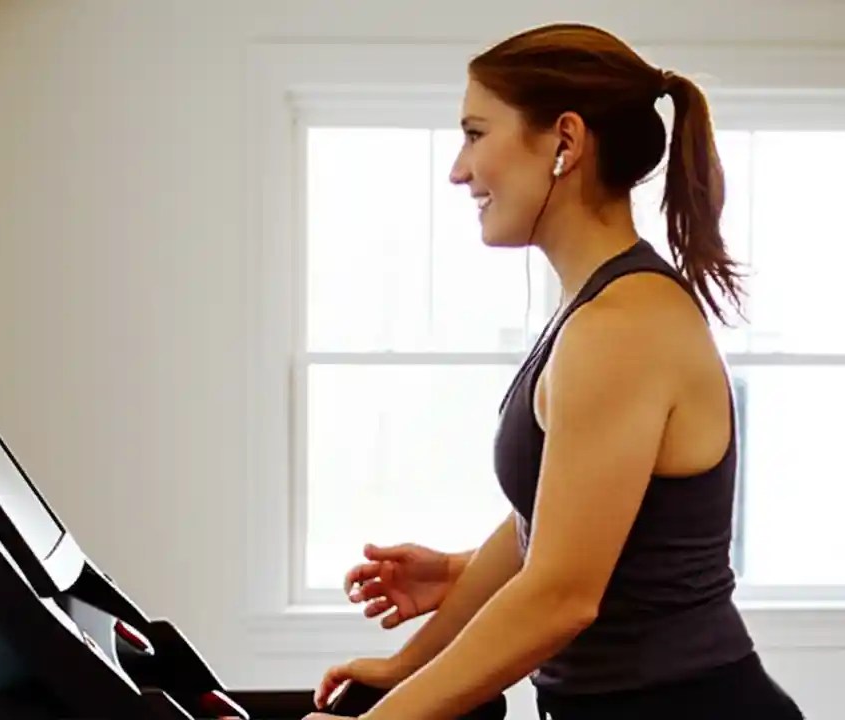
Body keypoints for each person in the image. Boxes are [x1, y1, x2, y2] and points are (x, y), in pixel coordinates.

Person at [303, 22, 804, 720]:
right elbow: (540, 529)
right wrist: (411, 655)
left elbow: (561, 596)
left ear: (565, 142)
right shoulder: (592, 308)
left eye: (476, 134)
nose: (458, 169)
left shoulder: (622, 327)